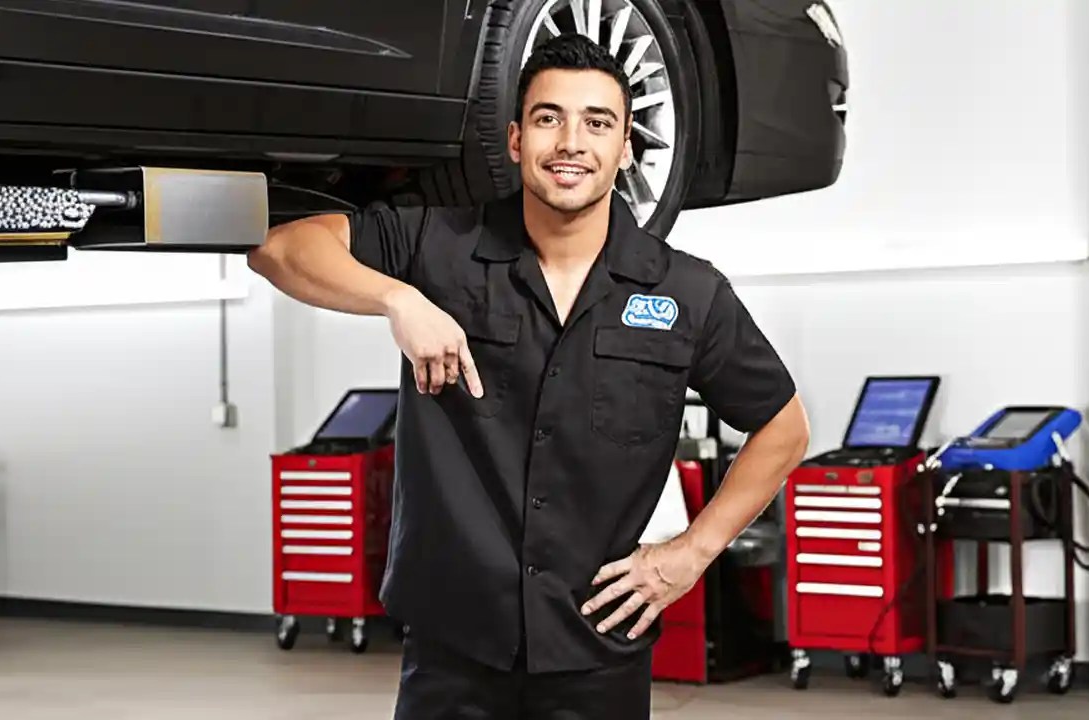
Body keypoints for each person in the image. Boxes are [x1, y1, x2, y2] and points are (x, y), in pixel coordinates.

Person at [248, 32, 809, 720]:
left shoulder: (687, 292)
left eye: (596, 122)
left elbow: (783, 427)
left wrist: (691, 553)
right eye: (549, 118)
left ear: (625, 144)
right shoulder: (437, 248)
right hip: (455, 651)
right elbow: (283, 248)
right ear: (515, 139)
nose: (571, 141)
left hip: (597, 649)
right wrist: (398, 298)